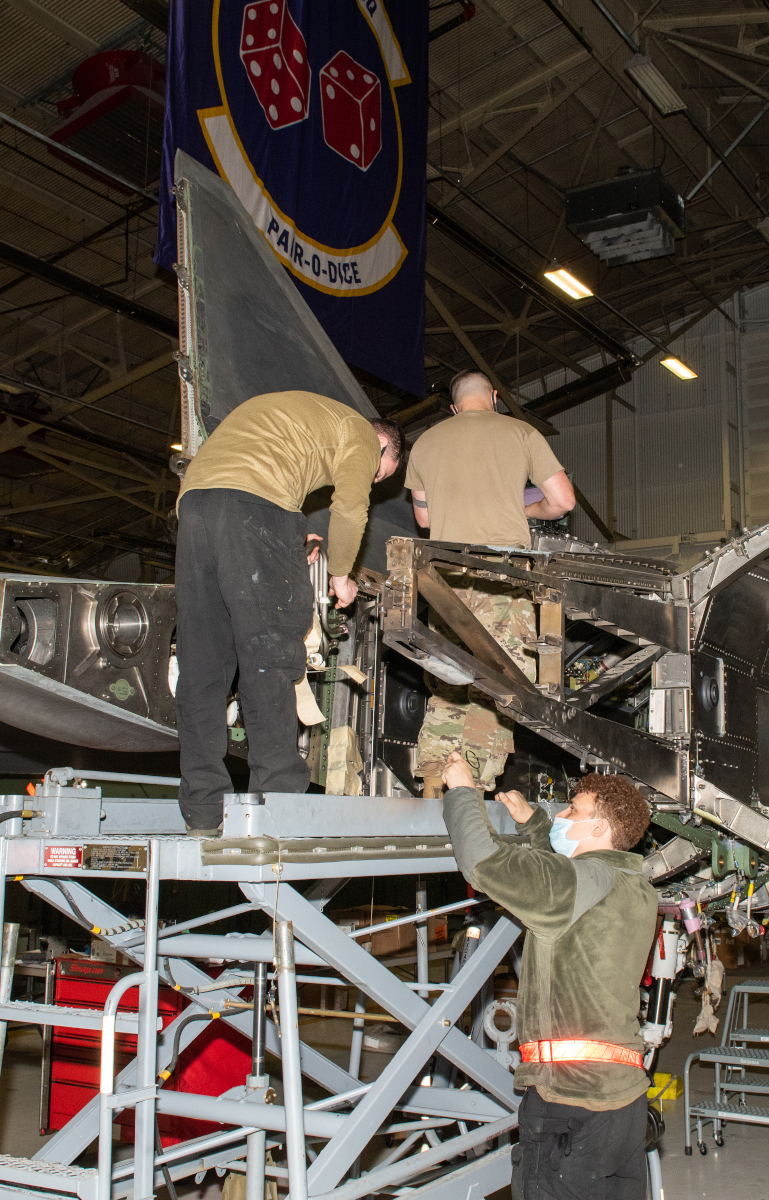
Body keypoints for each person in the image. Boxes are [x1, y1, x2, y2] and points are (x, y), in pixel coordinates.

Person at [174, 390, 404, 836]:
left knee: (202, 666)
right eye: (380, 473)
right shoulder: (359, 432)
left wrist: (290, 536)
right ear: (380, 446)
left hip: (195, 505)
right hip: (255, 503)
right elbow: (351, 507)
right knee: (271, 658)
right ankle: (278, 804)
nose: (373, 480)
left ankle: (202, 810)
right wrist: (342, 575)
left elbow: (245, 491)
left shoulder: (307, 418)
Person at [442, 750, 657, 1200]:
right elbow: (565, 882)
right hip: (624, 1100)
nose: (559, 812)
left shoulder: (579, 884)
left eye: (573, 810)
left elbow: (481, 864)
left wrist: (462, 791)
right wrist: (533, 825)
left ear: (599, 827)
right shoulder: (635, 887)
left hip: (570, 1102)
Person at [405, 369, 575, 797]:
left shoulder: (426, 442)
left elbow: (424, 520)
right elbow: (563, 501)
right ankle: (471, 792)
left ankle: (432, 781)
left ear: (454, 406)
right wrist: (527, 513)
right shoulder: (521, 433)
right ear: (494, 397)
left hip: (445, 580)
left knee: (450, 675)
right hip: (502, 578)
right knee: (501, 679)